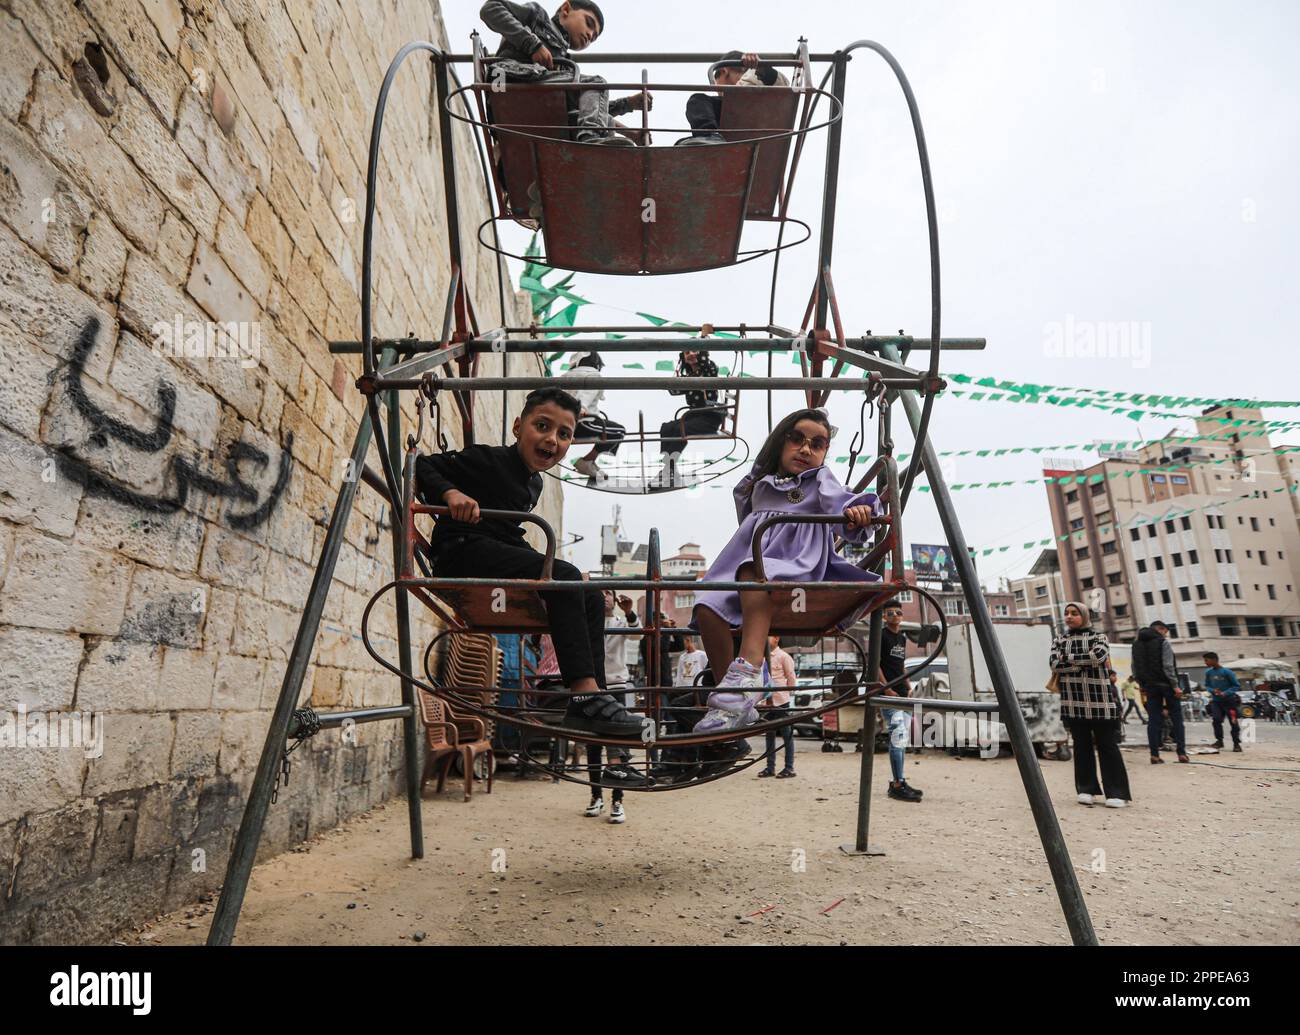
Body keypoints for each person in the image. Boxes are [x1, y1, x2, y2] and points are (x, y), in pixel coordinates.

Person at [415, 388, 650, 790]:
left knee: (587, 591)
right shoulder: (487, 459)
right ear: (518, 426)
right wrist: (450, 494)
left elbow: (508, 537)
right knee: (562, 575)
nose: (552, 441)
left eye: (564, 434)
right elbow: (421, 466)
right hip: (462, 551)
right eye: (542, 427)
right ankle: (584, 693)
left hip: (491, 550)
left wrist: (553, 570)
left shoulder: (534, 485)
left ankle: (595, 700)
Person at [691, 408, 881, 732]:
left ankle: (748, 671)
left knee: (756, 575)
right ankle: (730, 695)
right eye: (797, 439)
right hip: (753, 557)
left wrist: (859, 511)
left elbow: (842, 503)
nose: (806, 449)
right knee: (707, 603)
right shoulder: (758, 483)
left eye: (817, 444)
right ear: (781, 442)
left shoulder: (819, 479)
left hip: (797, 561)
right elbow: (747, 522)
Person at [479, 1, 650, 146]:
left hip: (538, 108)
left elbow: (589, 110)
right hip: (505, 84)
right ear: (566, 9)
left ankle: (592, 145)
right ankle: (591, 140)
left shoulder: (567, 68)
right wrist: (532, 45)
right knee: (596, 83)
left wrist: (628, 109)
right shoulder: (538, 18)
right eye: (589, 23)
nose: (590, 35)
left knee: (599, 120)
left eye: (594, 37)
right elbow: (490, 9)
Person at [1050, 602, 1131, 808]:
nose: (1069, 617)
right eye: (1067, 613)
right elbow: (1054, 663)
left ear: (1084, 616)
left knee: (1107, 746)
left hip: (1099, 701)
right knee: (1081, 746)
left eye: (1074, 613)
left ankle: (1117, 793)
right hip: (1072, 700)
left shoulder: (1099, 637)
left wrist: (1069, 661)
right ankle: (1086, 789)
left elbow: (1098, 657)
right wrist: (1079, 662)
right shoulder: (1060, 638)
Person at [583, 591, 641, 821]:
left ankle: (618, 800)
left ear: (614, 599)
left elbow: (637, 636)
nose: (604, 596)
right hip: (593, 686)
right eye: (599, 593)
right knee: (593, 743)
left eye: (609, 593)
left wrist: (629, 611)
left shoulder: (621, 622)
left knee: (618, 743)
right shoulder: (588, 623)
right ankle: (595, 796)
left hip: (617, 685)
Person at [681, 51, 789, 144]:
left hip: (753, 117)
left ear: (724, 71)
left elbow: (781, 84)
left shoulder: (754, 75)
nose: (720, 94)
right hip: (745, 125)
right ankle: (709, 137)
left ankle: (708, 135)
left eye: (719, 88)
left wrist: (760, 66)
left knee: (698, 100)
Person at [653, 349, 723, 490]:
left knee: (680, 430)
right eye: (686, 353)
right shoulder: (690, 376)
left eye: (694, 351)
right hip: (695, 416)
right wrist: (676, 374)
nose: (690, 354)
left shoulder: (709, 369)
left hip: (709, 417)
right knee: (667, 427)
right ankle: (670, 469)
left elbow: (708, 366)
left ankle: (668, 471)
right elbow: (674, 391)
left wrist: (702, 351)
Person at [879, 602, 922, 802]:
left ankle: (900, 780)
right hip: (890, 695)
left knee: (901, 741)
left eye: (898, 612)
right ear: (884, 616)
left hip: (903, 694)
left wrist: (908, 684)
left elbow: (901, 664)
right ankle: (897, 784)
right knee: (897, 738)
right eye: (890, 613)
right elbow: (875, 664)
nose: (895, 615)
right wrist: (886, 688)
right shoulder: (880, 635)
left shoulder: (902, 638)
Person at [1133, 620, 1189, 764]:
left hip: (1150, 686)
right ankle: (1181, 753)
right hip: (1167, 685)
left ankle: (1154, 755)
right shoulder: (1162, 642)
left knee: (1153, 719)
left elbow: (1135, 667)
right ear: (1161, 629)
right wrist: (1176, 686)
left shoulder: (1136, 644)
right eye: (1165, 632)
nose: (1166, 635)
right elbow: (1168, 666)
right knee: (1176, 718)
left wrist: (1142, 684)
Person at [565, 353, 626, 483]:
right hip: (582, 422)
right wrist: (580, 409)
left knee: (610, 427)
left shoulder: (565, 376)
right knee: (619, 431)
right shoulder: (593, 375)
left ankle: (589, 462)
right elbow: (583, 397)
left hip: (564, 422)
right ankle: (587, 462)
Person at [757, 636, 797, 778]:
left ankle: (789, 767)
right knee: (769, 735)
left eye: (770, 636)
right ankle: (770, 767)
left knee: (787, 734)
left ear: (776, 639)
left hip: (781, 701)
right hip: (767, 702)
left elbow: (790, 677)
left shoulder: (783, 656)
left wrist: (787, 692)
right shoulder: (762, 658)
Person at [1202, 652, 1244, 752]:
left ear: (1214, 660)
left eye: (1206, 660)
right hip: (1216, 702)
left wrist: (1225, 693)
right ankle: (1219, 741)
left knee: (1233, 722)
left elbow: (1236, 686)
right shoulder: (1208, 673)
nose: (1205, 663)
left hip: (1230, 702)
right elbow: (1207, 685)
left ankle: (1236, 743)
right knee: (1216, 720)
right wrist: (1213, 691)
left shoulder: (1227, 672)